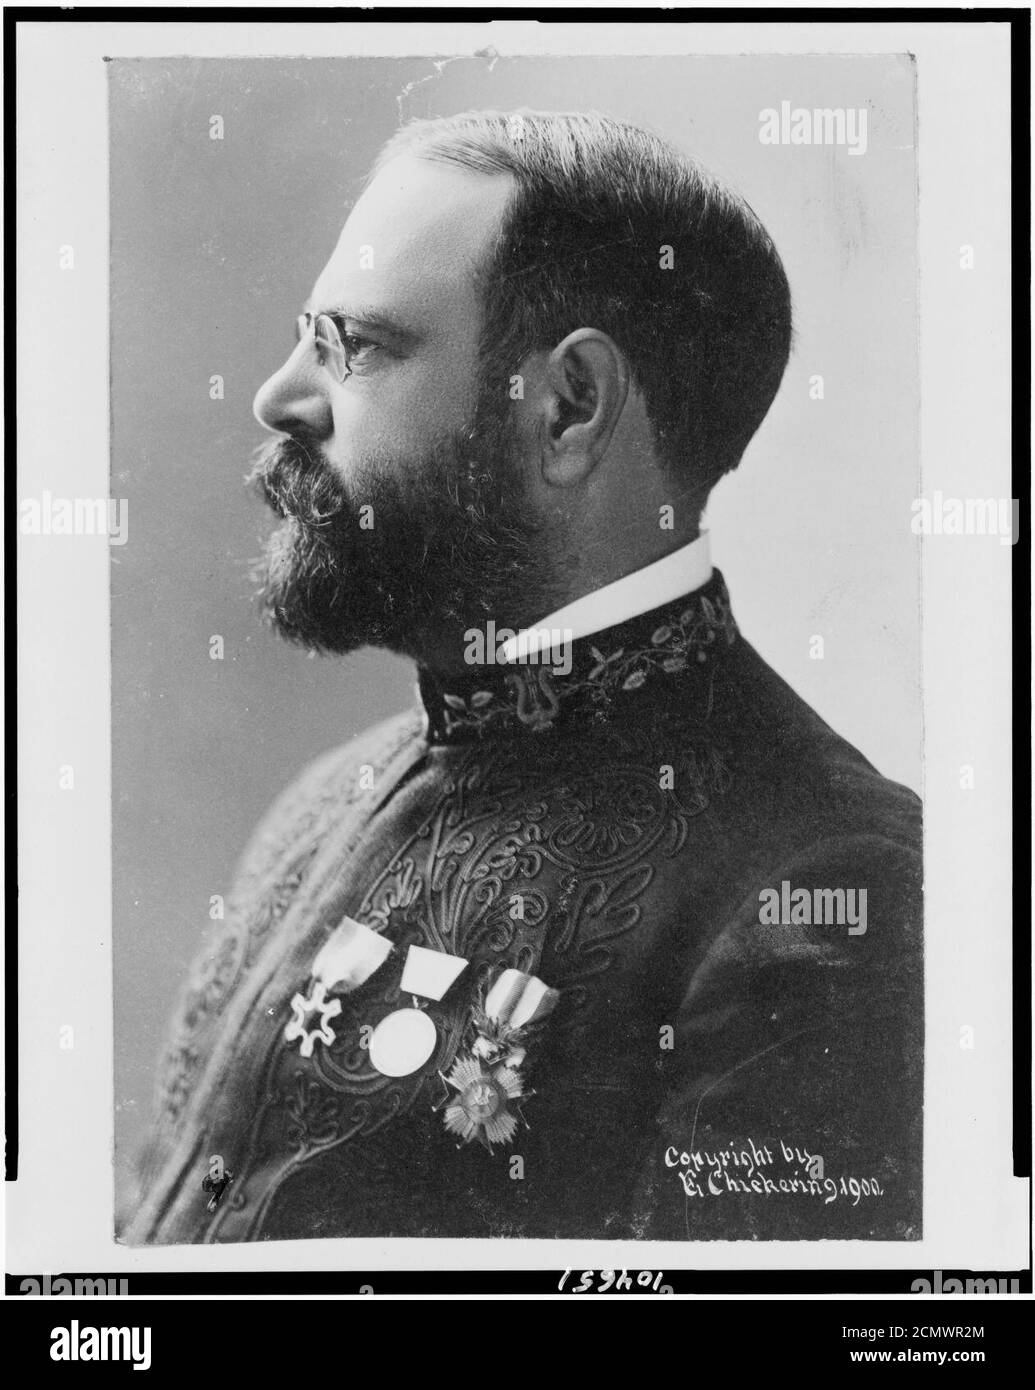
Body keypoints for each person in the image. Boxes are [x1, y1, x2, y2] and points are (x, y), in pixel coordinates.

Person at [124, 110, 922, 1244]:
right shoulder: (323, 802)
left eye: (355, 346)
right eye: (307, 336)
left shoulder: (822, 887)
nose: (279, 396)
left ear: (567, 409)